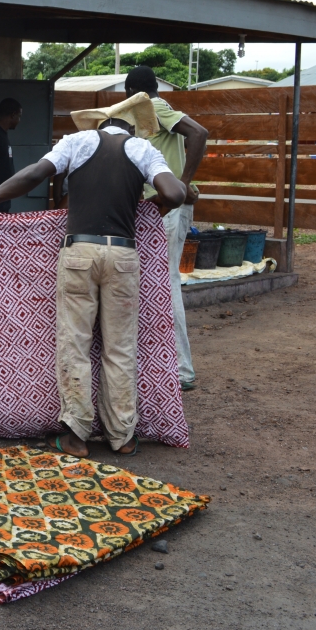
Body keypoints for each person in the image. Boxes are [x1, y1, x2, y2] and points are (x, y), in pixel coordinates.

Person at [0, 93, 186, 458]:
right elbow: (175, 191)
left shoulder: (77, 142)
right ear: (131, 127)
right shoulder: (143, 150)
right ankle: (122, 435)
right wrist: (161, 203)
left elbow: (32, 175)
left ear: (100, 122)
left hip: (79, 253)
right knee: (120, 347)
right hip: (124, 255)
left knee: (75, 343)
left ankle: (76, 435)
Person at [123, 66, 208, 392]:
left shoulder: (153, 108)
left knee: (166, 282)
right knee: (157, 282)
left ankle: (183, 371)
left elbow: (199, 133)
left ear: (132, 91)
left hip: (169, 208)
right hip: (159, 209)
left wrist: (182, 185)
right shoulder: (150, 113)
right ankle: (167, 365)